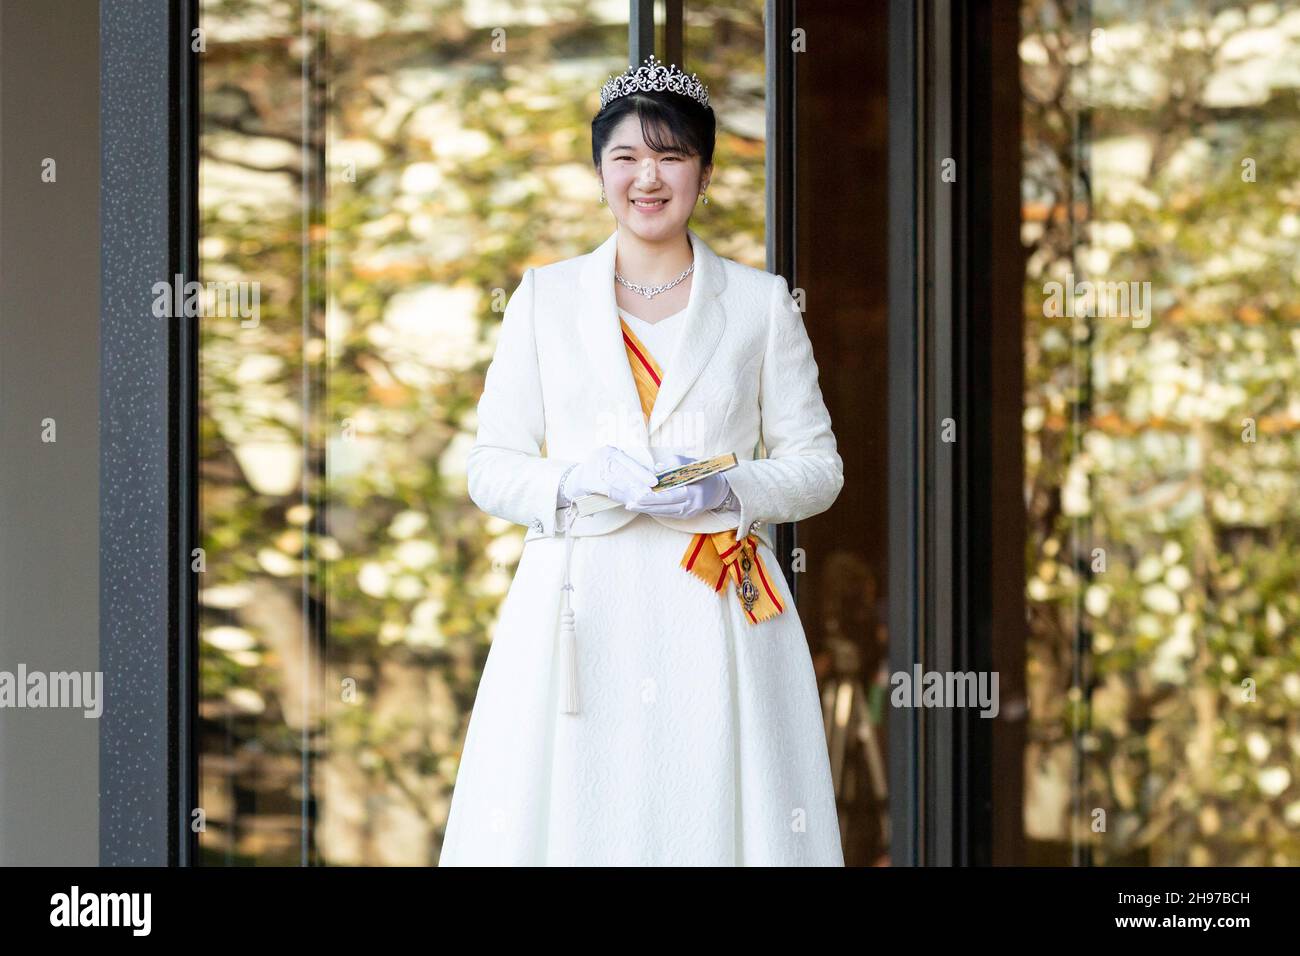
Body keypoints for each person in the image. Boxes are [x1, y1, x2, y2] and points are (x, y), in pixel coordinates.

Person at [439, 54, 846, 866]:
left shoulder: (760, 303)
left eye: (670, 157)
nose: (647, 178)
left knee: (711, 817)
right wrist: (576, 479)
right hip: (581, 606)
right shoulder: (543, 298)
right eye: (625, 157)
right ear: (599, 174)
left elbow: (818, 467)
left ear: (702, 173)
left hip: (713, 601)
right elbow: (490, 463)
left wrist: (730, 489)